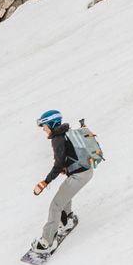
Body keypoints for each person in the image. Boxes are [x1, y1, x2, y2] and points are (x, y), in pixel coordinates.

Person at [30, 109, 92, 256]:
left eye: (44, 125)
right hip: (84, 172)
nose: (43, 129)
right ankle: (67, 220)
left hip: (79, 175)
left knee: (55, 205)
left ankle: (47, 243)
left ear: (51, 124)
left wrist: (46, 182)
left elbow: (58, 165)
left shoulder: (58, 139)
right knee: (64, 194)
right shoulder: (65, 132)